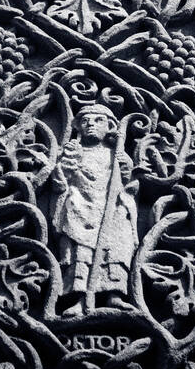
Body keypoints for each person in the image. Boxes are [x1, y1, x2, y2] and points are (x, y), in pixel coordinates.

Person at [49, 103, 139, 315]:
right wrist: (64, 167)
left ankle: (114, 295)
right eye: (85, 121)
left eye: (98, 120)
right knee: (80, 252)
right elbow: (60, 183)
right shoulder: (74, 152)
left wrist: (125, 168)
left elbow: (129, 184)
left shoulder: (115, 155)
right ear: (78, 127)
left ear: (109, 126)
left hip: (111, 210)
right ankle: (79, 299)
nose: (91, 124)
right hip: (81, 207)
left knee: (116, 248)